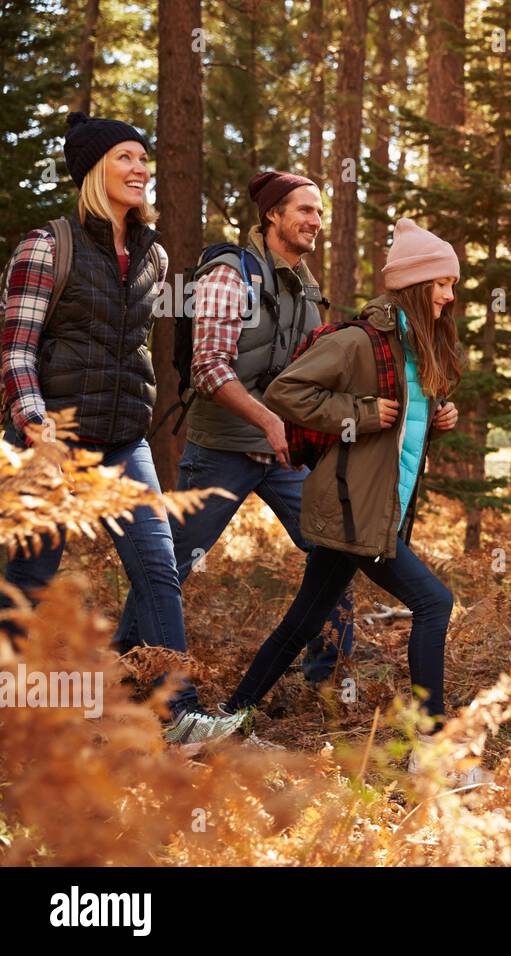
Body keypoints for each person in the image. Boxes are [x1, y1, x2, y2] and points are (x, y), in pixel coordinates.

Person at [0, 112, 239, 745]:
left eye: (144, 159)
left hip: (124, 440)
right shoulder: (47, 246)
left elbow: (135, 347)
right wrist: (36, 426)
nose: (140, 170)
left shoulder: (154, 256)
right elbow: (17, 350)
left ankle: (179, 714)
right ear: (92, 172)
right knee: (28, 580)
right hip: (51, 442)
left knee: (159, 566)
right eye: (126, 158)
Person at [221, 219, 460, 742]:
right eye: (441, 284)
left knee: (304, 621)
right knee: (434, 602)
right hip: (355, 509)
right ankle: (433, 745)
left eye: (451, 285)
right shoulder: (360, 340)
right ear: (417, 285)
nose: (449, 295)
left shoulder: (415, 347)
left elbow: (398, 432)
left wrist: (437, 419)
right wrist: (361, 411)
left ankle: (224, 721)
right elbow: (287, 392)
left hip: (372, 506)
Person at [113, 170, 353, 685]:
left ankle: (329, 682)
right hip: (222, 447)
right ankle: (128, 666)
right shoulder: (229, 275)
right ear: (273, 215)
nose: (316, 221)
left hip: (285, 452)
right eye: (305, 210)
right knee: (173, 564)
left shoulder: (307, 288)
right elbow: (208, 368)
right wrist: (269, 419)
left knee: (335, 548)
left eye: (319, 212)